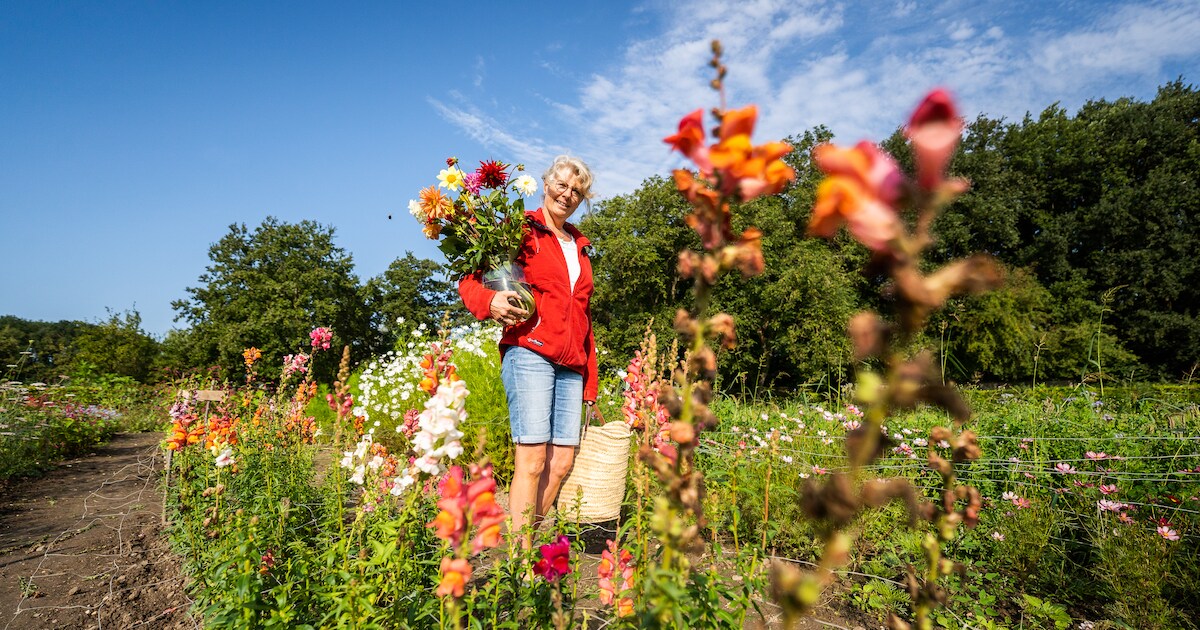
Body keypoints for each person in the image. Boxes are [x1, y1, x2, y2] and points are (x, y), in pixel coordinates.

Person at [457, 155, 603, 544]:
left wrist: (592, 389)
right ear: (546, 184)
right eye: (562, 185)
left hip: (572, 364)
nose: (568, 194)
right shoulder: (520, 230)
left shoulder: (582, 248)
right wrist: (489, 303)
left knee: (561, 464)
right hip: (530, 352)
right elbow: (470, 279)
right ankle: (521, 562)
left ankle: (527, 542)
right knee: (534, 459)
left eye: (577, 190)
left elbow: (584, 320)